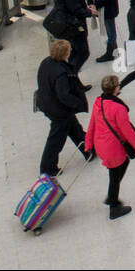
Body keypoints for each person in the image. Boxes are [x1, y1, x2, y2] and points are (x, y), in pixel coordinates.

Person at [84, 75, 135, 220]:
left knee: (120, 166)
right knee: (114, 174)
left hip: (101, 145)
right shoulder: (118, 108)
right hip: (112, 148)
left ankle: (112, 196)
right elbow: (127, 132)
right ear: (115, 89)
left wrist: (88, 143)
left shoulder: (98, 103)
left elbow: (92, 124)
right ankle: (113, 205)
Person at [35, 39, 92, 179]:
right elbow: (64, 95)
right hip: (59, 110)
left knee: (74, 128)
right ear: (65, 53)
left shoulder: (46, 62)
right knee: (56, 139)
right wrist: (78, 103)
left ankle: (88, 150)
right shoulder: (61, 73)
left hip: (47, 103)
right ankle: (48, 168)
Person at [51, 0, 95, 83]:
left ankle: (72, 78)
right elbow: (74, 8)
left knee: (75, 51)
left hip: (65, 23)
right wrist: (88, 12)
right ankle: (71, 78)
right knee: (83, 52)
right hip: (74, 25)